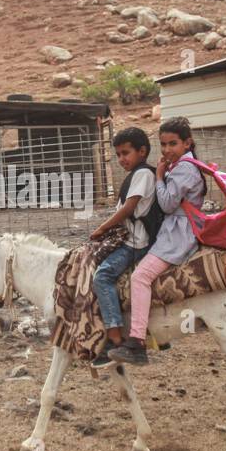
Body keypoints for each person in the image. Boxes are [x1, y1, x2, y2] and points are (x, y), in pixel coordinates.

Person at [107, 117, 204, 366]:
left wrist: (159, 176)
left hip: (178, 234)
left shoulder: (184, 168)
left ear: (187, 143)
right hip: (174, 230)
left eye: (173, 144)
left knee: (140, 276)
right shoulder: (183, 165)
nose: (167, 150)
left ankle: (137, 342)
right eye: (163, 145)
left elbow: (169, 203)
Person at [89, 128, 159, 369]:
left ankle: (115, 339)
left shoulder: (143, 175)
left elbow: (128, 208)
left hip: (135, 243)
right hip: (130, 238)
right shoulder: (136, 175)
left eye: (125, 153)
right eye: (117, 154)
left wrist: (102, 228)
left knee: (103, 276)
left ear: (142, 151)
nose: (121, 159)